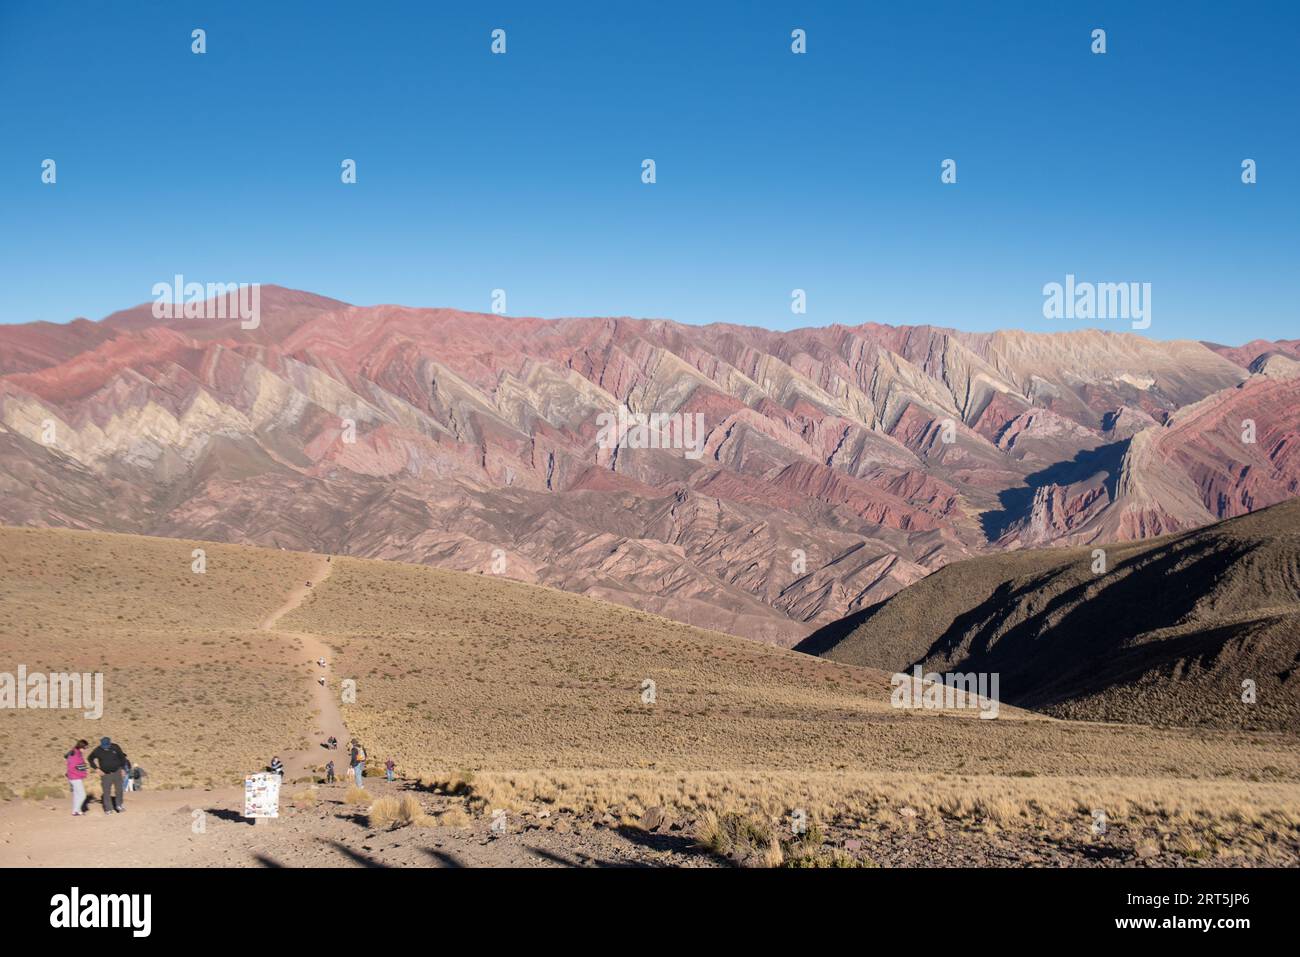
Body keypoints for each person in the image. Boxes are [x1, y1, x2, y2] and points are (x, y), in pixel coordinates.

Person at [87, 736, 128, 814]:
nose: (105, 747)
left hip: (117, 772)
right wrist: (96, 769)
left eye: (107, 746)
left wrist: (123, 769)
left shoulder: (115, 747)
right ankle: (108, 809)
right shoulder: (98, 750)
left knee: (119, 790)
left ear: (110, 743)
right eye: (104, 746)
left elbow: (122, 758)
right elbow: (90, 758)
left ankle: (119, 805)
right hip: (105, 774)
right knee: (106, 792)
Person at [65, 739, 89, 816]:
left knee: (77, 794)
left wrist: (83, 766)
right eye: (85, 748)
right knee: (82, 795)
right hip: (75, 777)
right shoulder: (74, 754)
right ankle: (75, 811)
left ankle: (77, 810)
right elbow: (72, 767)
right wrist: (82, 770)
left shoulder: (77, 753)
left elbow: (77, 764)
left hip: (75, 777)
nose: (86, 750)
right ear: (81, 747)